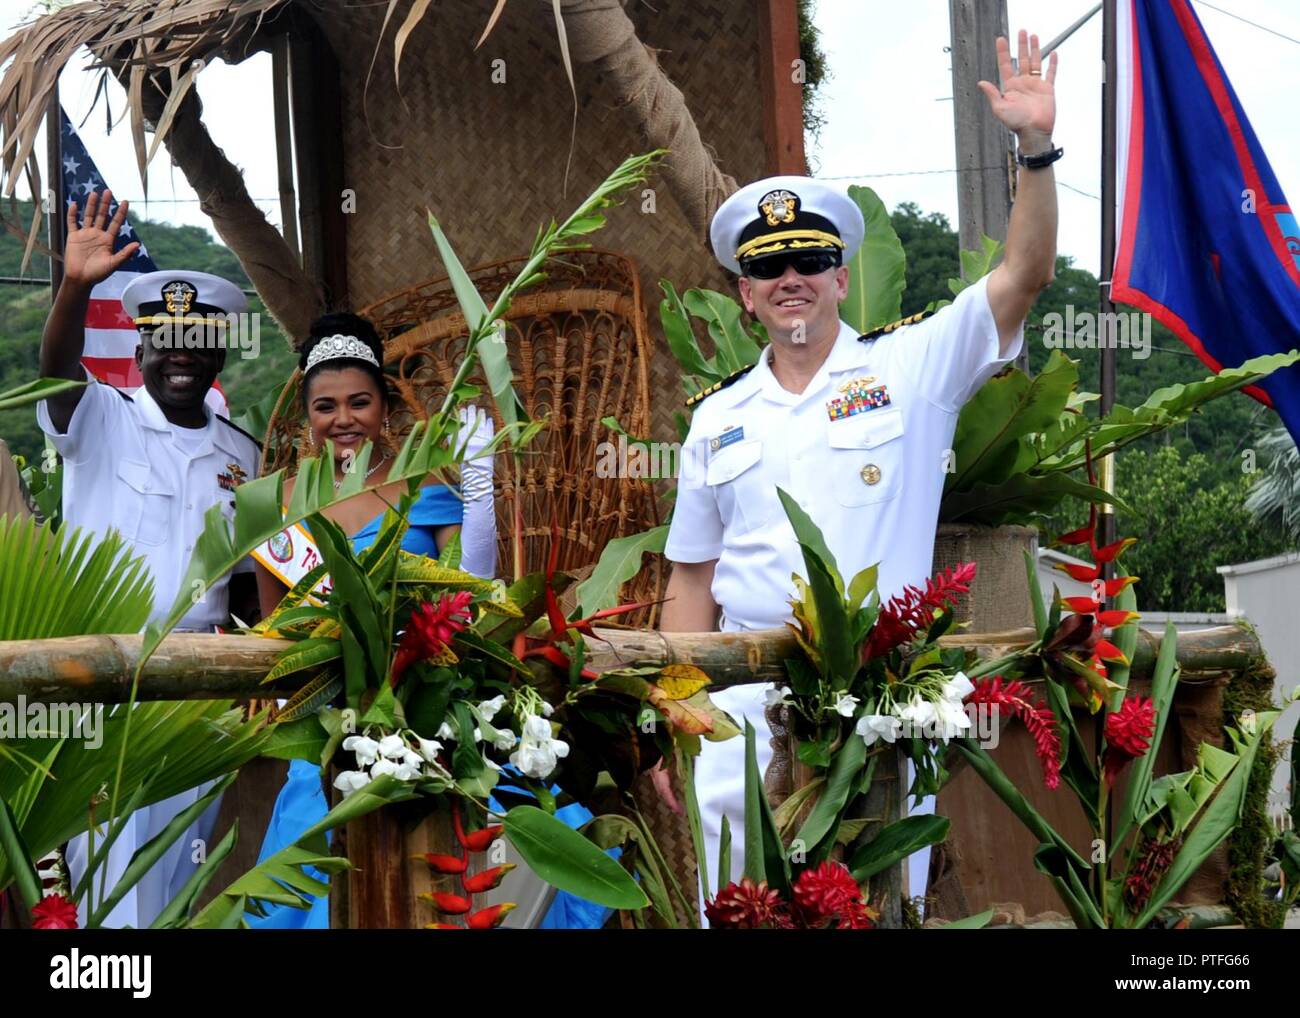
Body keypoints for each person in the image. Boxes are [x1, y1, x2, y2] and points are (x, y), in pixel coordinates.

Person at [661, 31, 1060, 913]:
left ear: (841, 276)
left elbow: (1024, 275)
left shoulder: (912, 369)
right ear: (745, 292)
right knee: (738, 913)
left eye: (809, 261)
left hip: (870, 715)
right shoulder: (716, 418)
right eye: (768, 268)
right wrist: (674, 724)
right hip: (737, 715)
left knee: (867, 911)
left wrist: (1034, 149)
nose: (790, 279)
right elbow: (690, 581)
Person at [36, 189, 262, 927]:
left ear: (219, 350)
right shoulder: (101, 416)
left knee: (182, 871)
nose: (183, 354)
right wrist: (75, 287)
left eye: (200, 339)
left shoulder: (246, 457)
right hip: (107, 684)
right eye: (167, 338)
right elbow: (57, 367)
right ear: (141, 349)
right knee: (110, 884)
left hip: (200, 692)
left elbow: (253, 587)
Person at [249, 313, 497, 928]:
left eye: (359, 402)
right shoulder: (274, 503)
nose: (343, 420)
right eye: (325, 406)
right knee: (317, 866)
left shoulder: (425, 487)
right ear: (306, 416)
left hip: (427, 705)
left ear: (384, 406)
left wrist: (482, 492)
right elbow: (274, 626)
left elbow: (473, 589)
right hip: (328, 718)